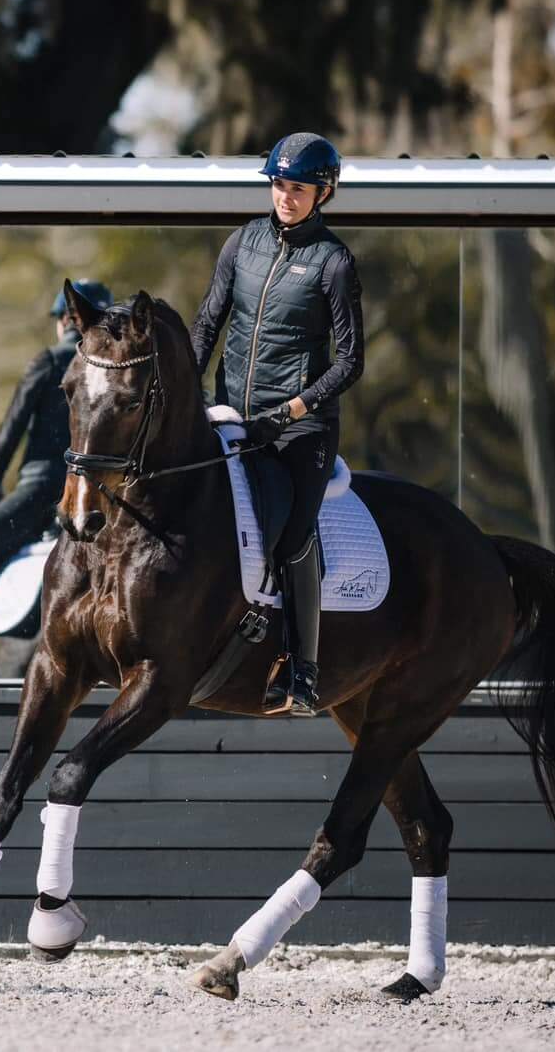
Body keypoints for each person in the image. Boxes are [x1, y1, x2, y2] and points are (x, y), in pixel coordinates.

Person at [189, 133, 365, 714]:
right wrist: (191, 392)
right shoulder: (242, 242)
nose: (286, 197)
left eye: (298, 188)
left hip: (299, 430)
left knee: (290, 534)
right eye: (279, 185)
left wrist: (290, 412)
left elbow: (350, 361)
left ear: (324, 192)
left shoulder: (334, 262)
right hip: (232, 414)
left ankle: (304, 669)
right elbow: (209, 321)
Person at [0, 279, 112, 677]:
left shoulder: (48, 362)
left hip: (41, 493)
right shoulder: (111, 370)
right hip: (97, 497)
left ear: (64, 319)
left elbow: (12, 427)